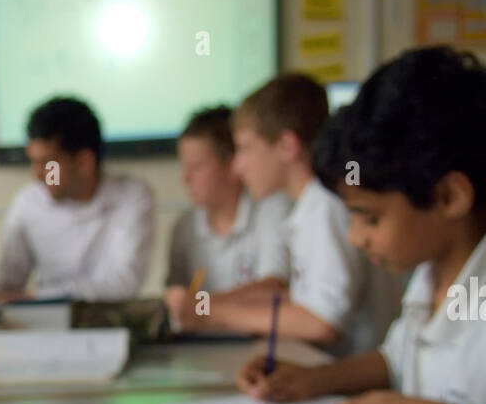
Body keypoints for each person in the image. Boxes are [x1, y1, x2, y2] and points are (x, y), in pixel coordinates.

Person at [235, 46, 486, 404]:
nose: (355, 238)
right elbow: (396, 359)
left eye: (370, 219)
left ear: (449, 196)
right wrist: (312, 380)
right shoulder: (433, 270)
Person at [168, 74, 402, 351]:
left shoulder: (326, 206)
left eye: (245, 149)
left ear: (287, 147)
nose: (239, 167)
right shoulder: (308, 207)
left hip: (355, 378)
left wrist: (210, 313)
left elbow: (322, 322)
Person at [0, 97, 155, 303]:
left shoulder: (132, 196)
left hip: (108, 323)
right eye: (33, 162)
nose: (37, 174)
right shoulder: (27, 202)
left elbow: (124, 284)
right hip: (44, 326)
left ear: (84, 162)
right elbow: (4, 286)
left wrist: (39, 297)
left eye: (47, 163)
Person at [163, 106, 289, 322]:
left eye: (197, 167)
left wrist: (201, 305)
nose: (185, 178)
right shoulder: (184, 227)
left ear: (232, 165)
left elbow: (275, 288)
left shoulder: (272, 210)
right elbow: (177, 301)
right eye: (184, 167)